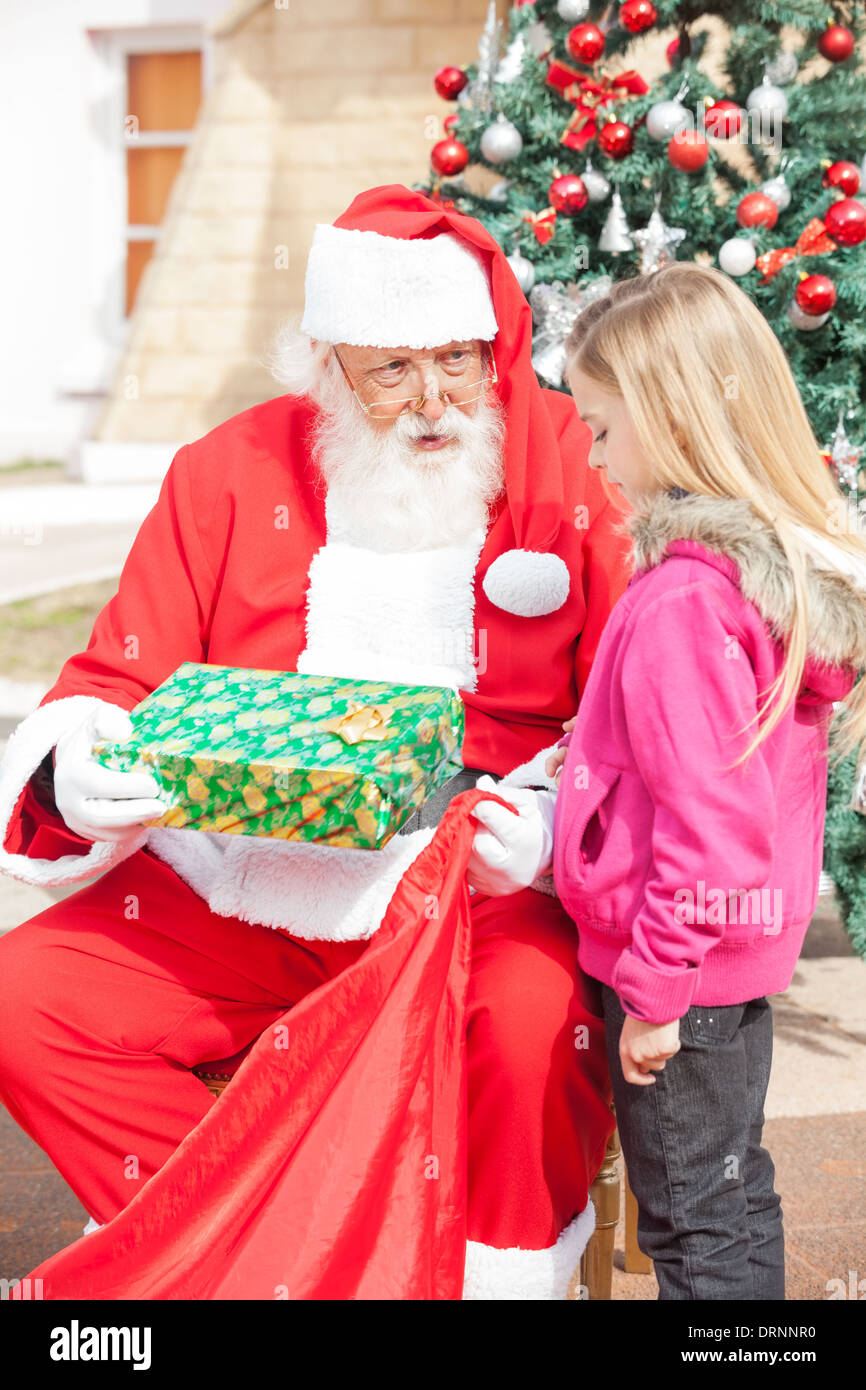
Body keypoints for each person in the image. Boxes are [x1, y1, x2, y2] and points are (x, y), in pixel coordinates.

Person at [0, 184, 634, 1299]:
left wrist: (539, 825)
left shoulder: (576, 462)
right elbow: (112, 675)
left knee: (533, 1026)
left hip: (479, 890)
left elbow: (643, 714)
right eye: (391, 370)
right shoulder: (226, 471)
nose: (434, 401)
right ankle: (247, 1258)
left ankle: (478, 1278)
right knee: (29, 1000)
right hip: (242, 887)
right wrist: (79, 766)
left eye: (457, 359)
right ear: (325, 365)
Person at [545, 260, 866, 1300]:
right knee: (730, 1200)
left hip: (676, 981)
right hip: (723, 978)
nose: (592, 460)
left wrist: (650, 994)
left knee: (693, 1230)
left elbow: (709, 828)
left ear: (671, 417)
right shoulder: (742, 580)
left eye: (599, 428)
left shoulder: (682, 598)